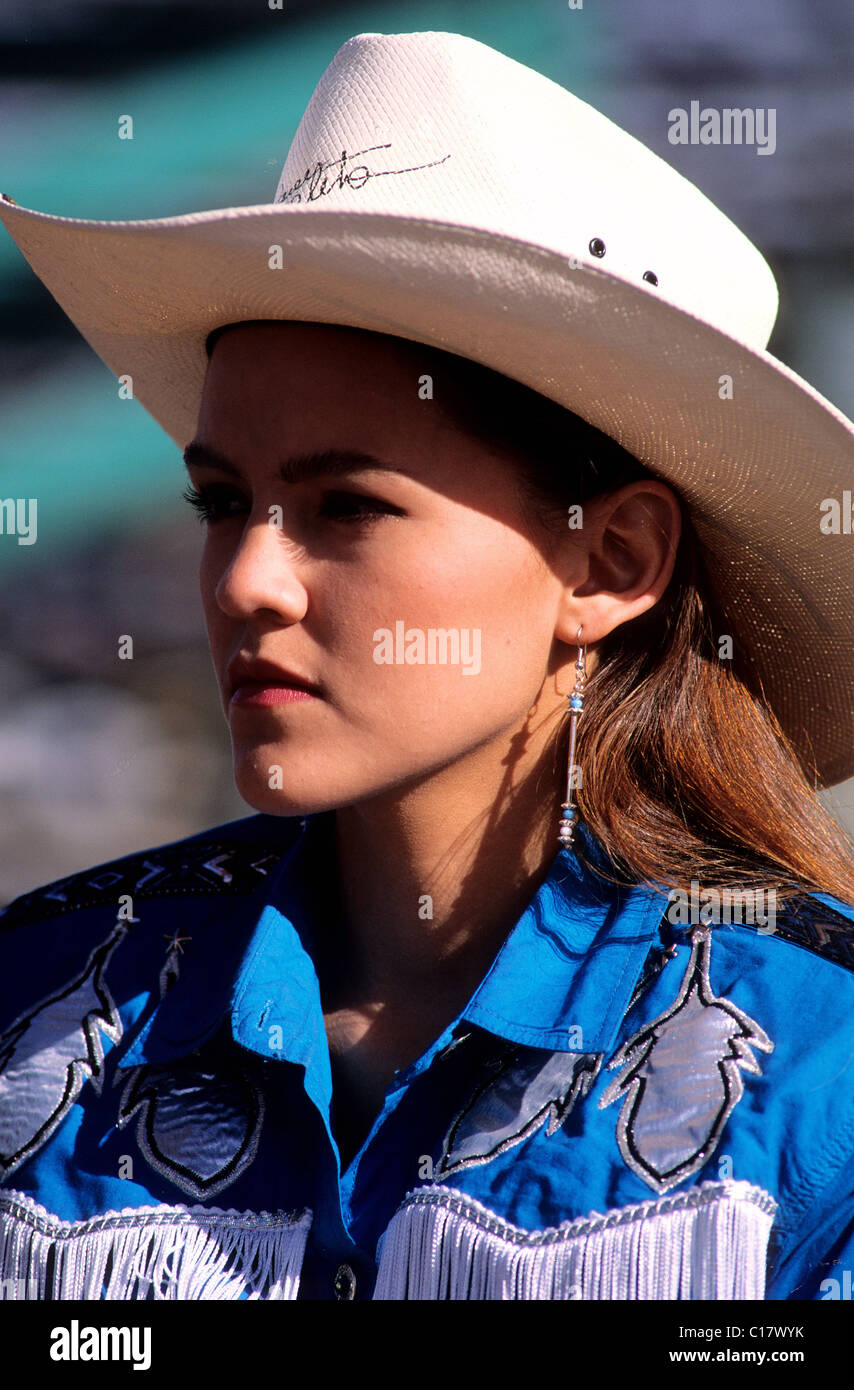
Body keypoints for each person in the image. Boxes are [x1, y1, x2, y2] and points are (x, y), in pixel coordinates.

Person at [0, 29, 853, 1302]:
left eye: (346, 505)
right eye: (220, 502)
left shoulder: (824, 1077)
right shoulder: (32, 1003)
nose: (244, 580)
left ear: (609, 560)